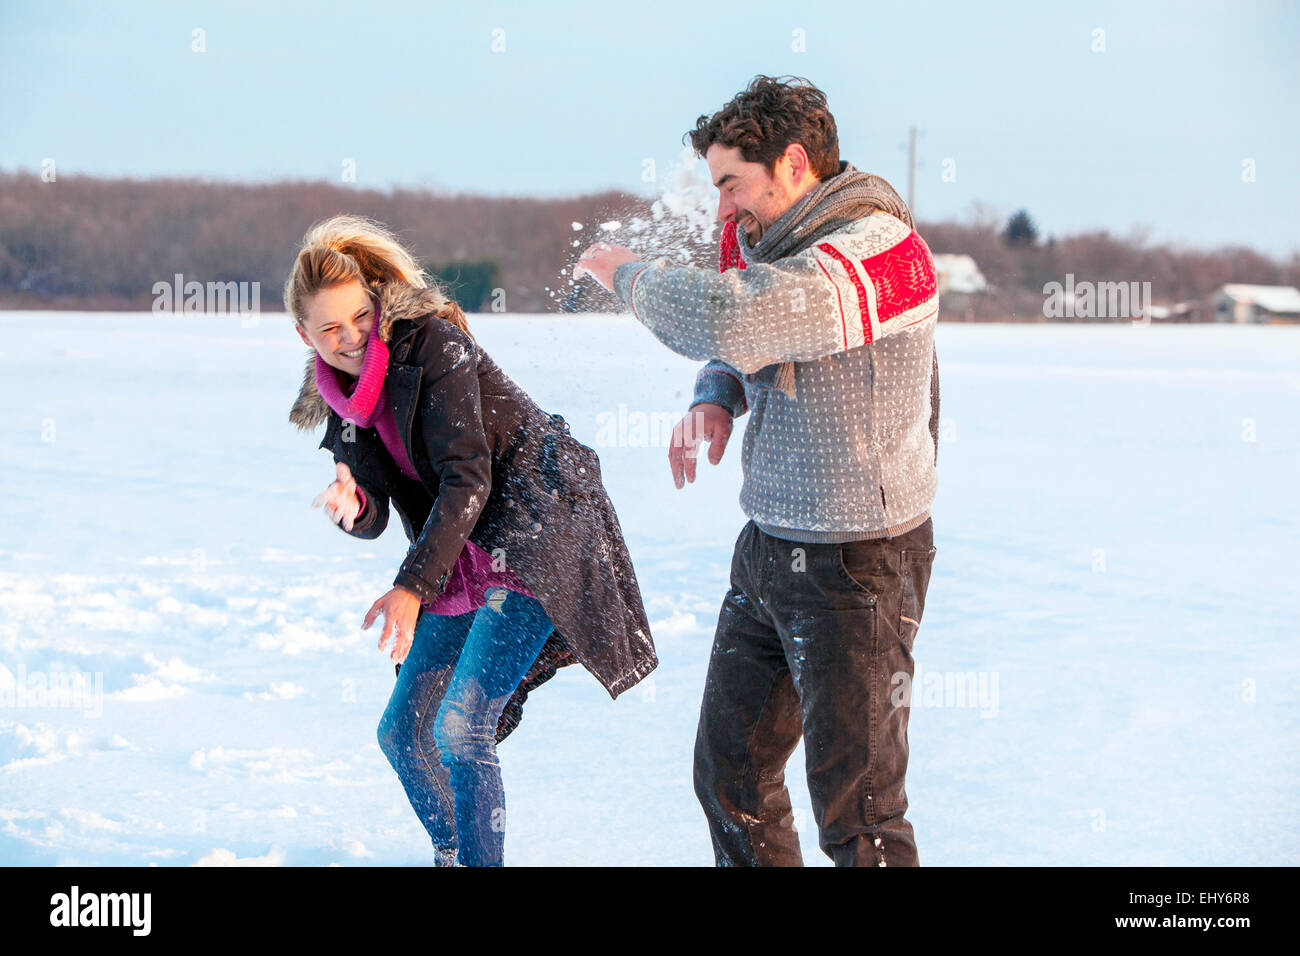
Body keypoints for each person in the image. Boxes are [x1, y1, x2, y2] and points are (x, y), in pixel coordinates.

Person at [576, 75, 940, 866]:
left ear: (796, 165)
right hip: (771, 545)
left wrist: (624, 273)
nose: (722, 210)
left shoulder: (880, 253)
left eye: (731, 185)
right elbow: (748, 334)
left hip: (858, 566)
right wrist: (717, 393)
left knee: (860, 814)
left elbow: (739, 313)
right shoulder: (777, 237)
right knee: (729, 775)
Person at [285, 215, 656, 866]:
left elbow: (469, 476)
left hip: (535, 535)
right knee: (404, 733)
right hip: (460, 557)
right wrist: (352, 504)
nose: (348, 339)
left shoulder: (433, 346)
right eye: (329, 330)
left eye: (357, 319)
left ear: (375, 304)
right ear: (304, 335)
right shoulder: (341, 402)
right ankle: (457, 852)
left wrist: (409, 588)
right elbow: (373, 513)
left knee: (461, 728)